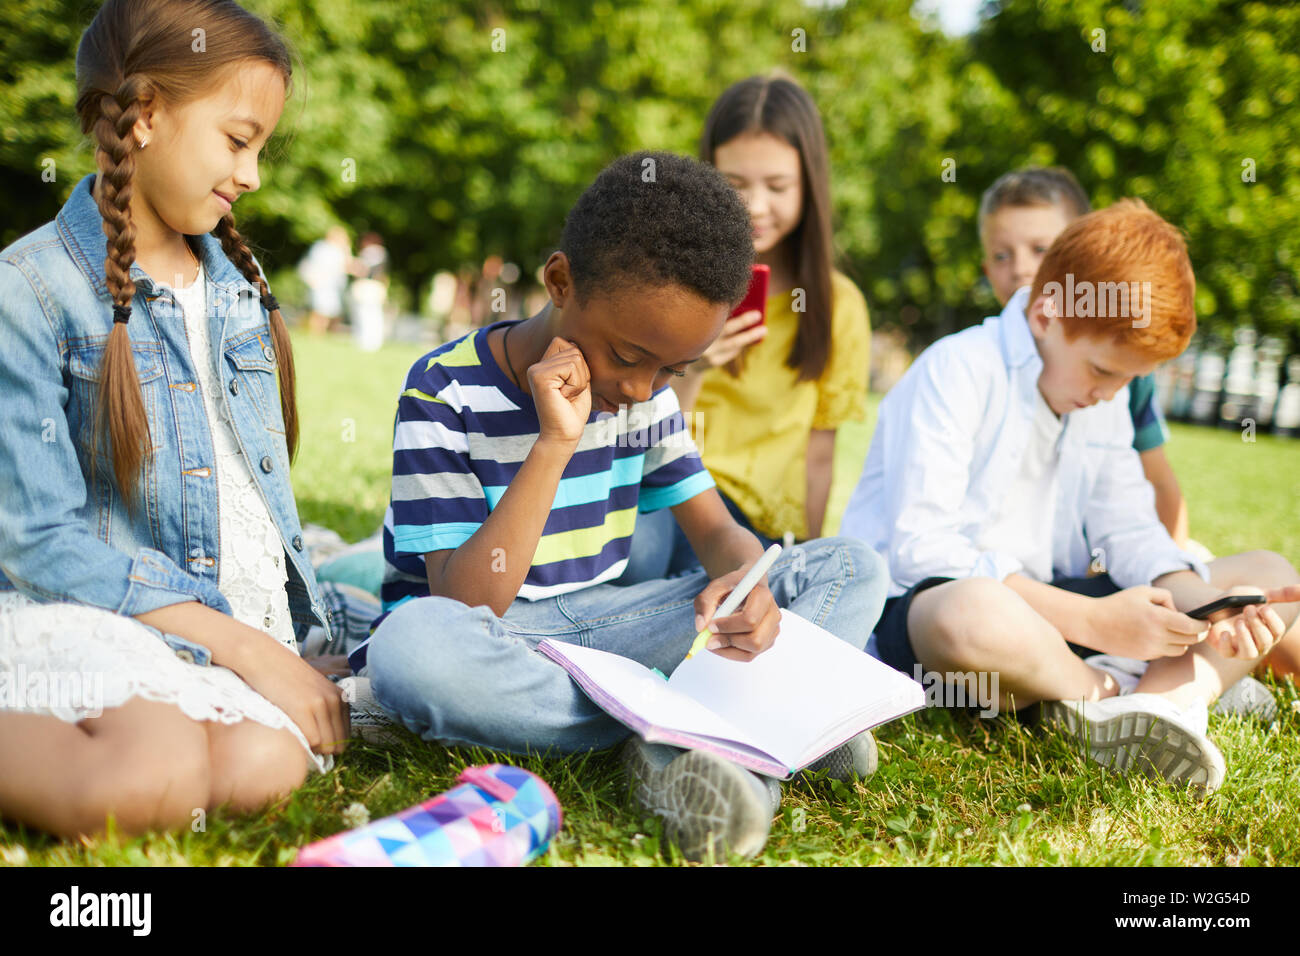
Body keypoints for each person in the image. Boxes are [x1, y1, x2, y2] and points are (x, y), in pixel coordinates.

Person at [350, 152, 889, 861]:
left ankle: (711, 726)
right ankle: (748, 729)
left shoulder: (647, 398)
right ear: (560, 282)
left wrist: (747, 583)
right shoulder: (442, 392)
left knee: (852, 568)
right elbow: (467, 603)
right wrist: (554, 444)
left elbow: (719, 532)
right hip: (503, 643)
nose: (642, 389)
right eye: (629, 356)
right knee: (409, 652)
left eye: (672, 369)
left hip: (615, 634)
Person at [0, 0, 349, 840]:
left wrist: (282, 636)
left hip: (206, 631)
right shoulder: (30, 289)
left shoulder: (236, 285)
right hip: (84, 609)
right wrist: (246, 647)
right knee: (151, 778)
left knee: (268, 763)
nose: (254, 175)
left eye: (262, 147)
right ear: (147, 114)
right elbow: (33, 537)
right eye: (238, 141)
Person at [840, 199, 1300, 795]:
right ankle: (1116, 691)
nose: (1112, 395)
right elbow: (924, 556)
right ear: (1047, 313)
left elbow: (1132, 531)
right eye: (1105, 372)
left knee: (1267, 571)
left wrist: (1210, 607)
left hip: (1054, 616)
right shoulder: (956, 369)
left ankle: (1158, 702)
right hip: (940, 621)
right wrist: (1096, 621)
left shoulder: (1096, 401)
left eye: (1129, 381)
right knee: (969, 612)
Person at [623, 73, 870, 580]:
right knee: (635, 551)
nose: (756, 207)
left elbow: (819, 453)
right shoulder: (671, 279)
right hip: (666, 486)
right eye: (735, 185)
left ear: (810, 184)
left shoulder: (838, 304)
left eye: (778, 186)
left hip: (752, 523)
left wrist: (810, 554)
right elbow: (636, 433)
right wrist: (688, 367)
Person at [979, 167, 1191, 547]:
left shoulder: (1124, 373)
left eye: (1040, 249)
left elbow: (1155, 482)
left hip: (1100, 557)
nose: (1021, 269)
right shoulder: (977, 363)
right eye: (1001, 255)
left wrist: (1174, 571)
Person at [299, 225, 351, 334]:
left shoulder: (340, 250)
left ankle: (323, 332)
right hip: (321, 283)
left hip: (335, 286)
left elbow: (346, 265)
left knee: (330, 311)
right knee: (319, 310)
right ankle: (316, 332)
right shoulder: (321, 248)